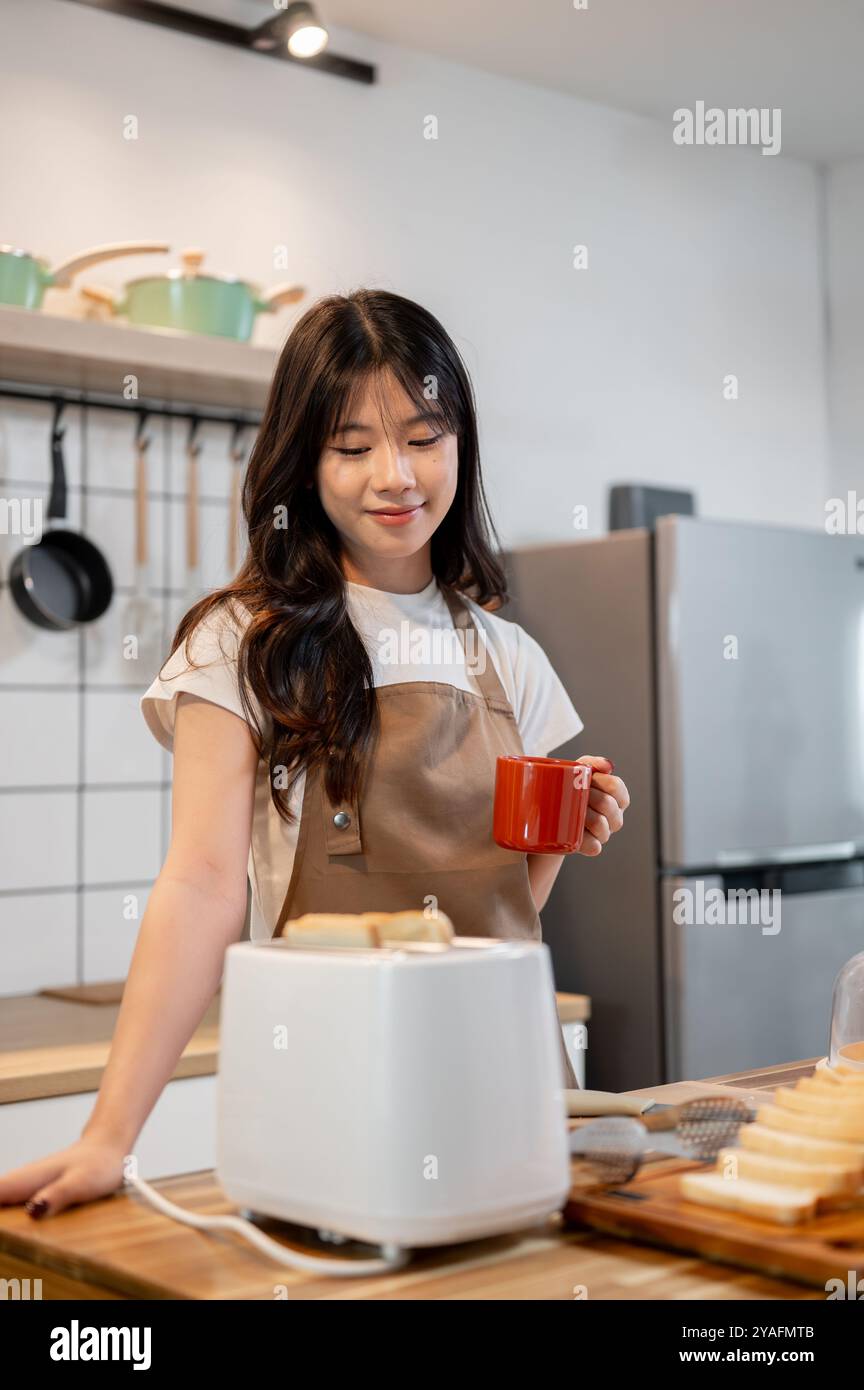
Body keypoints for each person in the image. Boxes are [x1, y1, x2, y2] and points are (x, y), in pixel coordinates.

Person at [0, 289, 629, 1220]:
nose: (395, 475)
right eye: (351, 446)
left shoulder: (510, 657)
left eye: (423, 436)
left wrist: (570, 829)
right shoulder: (239, 641)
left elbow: (504, 905)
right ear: (305, 460)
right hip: (327, 1074)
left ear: (462, 442)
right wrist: (108, 1137)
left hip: (503, 1076)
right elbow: (203, 884)